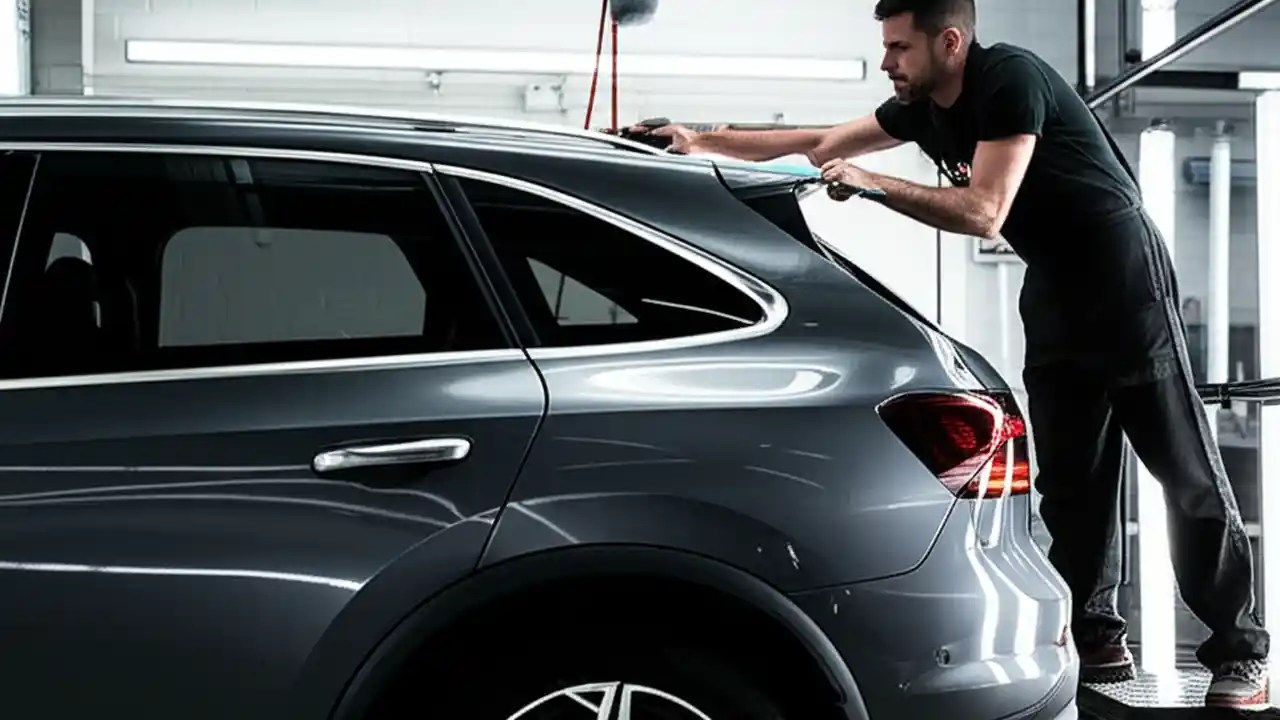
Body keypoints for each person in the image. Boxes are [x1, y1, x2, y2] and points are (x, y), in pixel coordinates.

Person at [632, 0, 1270, 710]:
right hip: (1054, 282)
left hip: (1120, 275)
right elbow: (816, 142)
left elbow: (983, 210)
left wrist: (873, 184)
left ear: (952, 41)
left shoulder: (1010, 80)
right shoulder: (924, 108)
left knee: (1180, 470)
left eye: (900, 47)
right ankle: (1098, 639)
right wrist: (699, 139)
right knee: (1070, 484)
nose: (887, 62)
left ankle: (1241, 651)